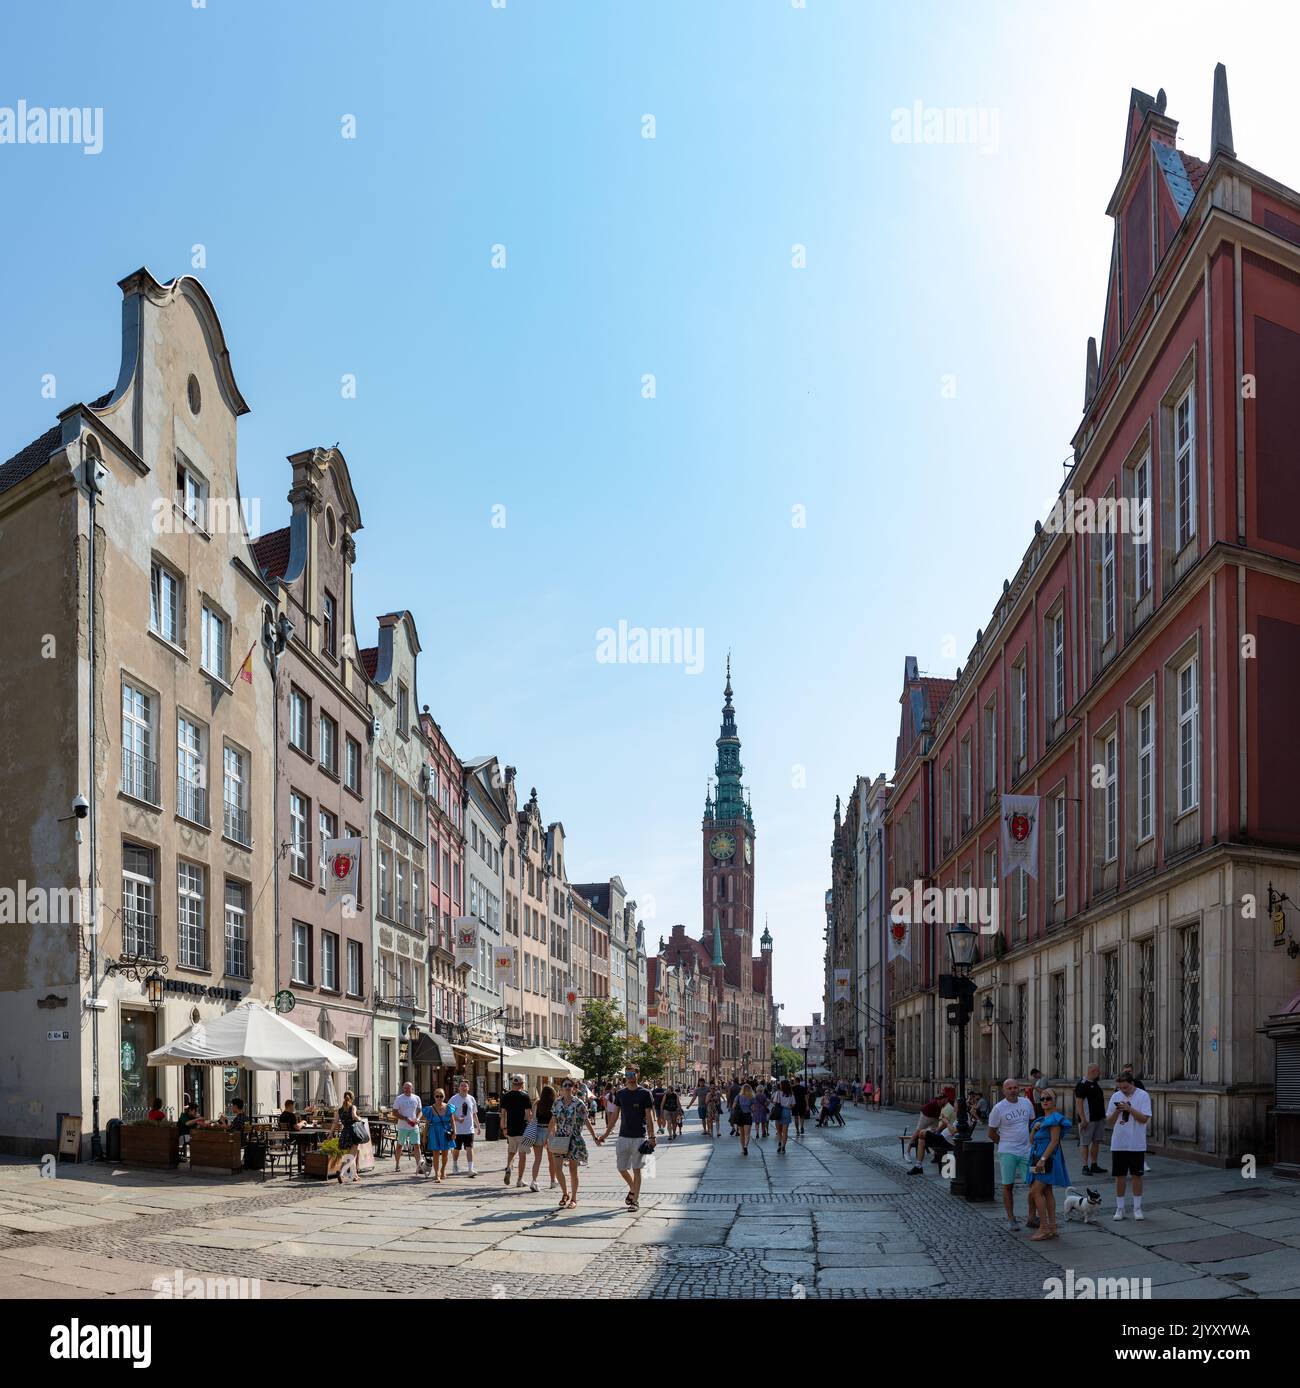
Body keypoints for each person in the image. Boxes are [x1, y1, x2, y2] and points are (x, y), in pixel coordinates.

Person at [596, 1068, 656, 1210]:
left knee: (637, 1169)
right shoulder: (621, 1094)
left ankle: (635, 1201)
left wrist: (652, 1136)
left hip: (639, 1137)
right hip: (623, 1136)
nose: (630, 1077)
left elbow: (649, 1116)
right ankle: (633, 1188)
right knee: (621, 1168)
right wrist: (605, 1134)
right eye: (627, 1075)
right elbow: (614, 1116)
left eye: (632, 1074)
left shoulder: (645, 1093)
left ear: (637, 1074)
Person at [988, 1078, 1037, 1230]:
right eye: (1009, 1088)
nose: (1013, 1090)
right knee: (1008, 1185)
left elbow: (1032, 1124)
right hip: (1007, 1151)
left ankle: (1031, 1217)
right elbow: (991, 1133)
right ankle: (1011, 1219)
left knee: (1033, 1185)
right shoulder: (998, 1108)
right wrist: (1005, 1143)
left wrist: (1030, 1142)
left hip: (1026, 1151)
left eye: (1015, 1087)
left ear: (1019, 1089)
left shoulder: (1027, 1103)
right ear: (1004, 1091)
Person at [1027, 1089, 1072, 1240]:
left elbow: (1054, 1142)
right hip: (1037, 1157)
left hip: (1047, 1159)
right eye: (1042, 1099)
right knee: (1047, 1191)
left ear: (1054, 1101)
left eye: (1048, 1098)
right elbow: (1031, 1141)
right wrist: (1034, 1129)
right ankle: (1052, 1226)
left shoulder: (1055, 1119)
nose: (1045, 1101)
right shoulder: (1041, 1120)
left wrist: (1043, 1159)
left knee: (1035, 1192)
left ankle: (1044, 1227)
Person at [548, 1078, 599, 1209]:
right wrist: (549, 1136)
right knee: (557, 1169)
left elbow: (586, 1120)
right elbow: (553, 1119)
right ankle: (565, 1193)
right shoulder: (557, 1103)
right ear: (561, 1088)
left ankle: (574, 1198)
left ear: (574, 1088)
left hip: (574, 1139)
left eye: (570, 1085)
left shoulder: (579, 1103)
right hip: (560, 1138)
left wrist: (594, 1136)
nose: (567, 1087)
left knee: (572, 1170)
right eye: (565, 1085)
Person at [1107, 1073, 1152, 1221]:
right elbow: (1109, 1121)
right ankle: (1120, 1208)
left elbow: (1144, 1119)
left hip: (1136, 1143)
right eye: (1120, 1087)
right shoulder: (1116, 1096)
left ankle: (1137, 1208)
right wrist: (1116, 1111)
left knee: (1136, 1176)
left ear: (1132, 1083)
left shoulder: (1143, 1095)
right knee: (1119, 1176)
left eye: (1125, 1087)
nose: (1123, 1090)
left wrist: (1129, 1109)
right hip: (1119, 1143)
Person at [498, 1074, 534, 1187]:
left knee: (511, 1152)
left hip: (510, 1128)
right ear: (522, 1084)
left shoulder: (506, 1096)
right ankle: (519, 1179)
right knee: (522, 1155)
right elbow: (528, 1115)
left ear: (512, 1083)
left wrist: (504, 1127)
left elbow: (503, 1113)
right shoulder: (525, 1096)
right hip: (523, 1129)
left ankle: (509, 1167)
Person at [519, 1084, 556, 1192]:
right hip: (549, 1132)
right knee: (551, 1159)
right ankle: (553, 1181)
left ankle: (534, 1181)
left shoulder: (537, 1103)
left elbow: (533, 1119)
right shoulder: (554, 1104)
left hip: (537, 1131)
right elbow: (553, 1121)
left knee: (537, 1159)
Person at [1074, 1063, 1107, 1177]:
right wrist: (1083, 1118)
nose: (1099, 1073)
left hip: (1098, 1118)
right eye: (1098, 1071)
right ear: (1093, 1071)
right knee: (1085, 1143)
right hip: (1088, 1119)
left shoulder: (1096, 1084)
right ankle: (1085, 1166)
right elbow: (1079, 1102)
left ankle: (1094, 1164)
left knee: (1096, 1141)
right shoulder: (1082, 1084)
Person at [447, 1079, 480, 1177]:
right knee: (456, 1149)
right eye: (462, 1086)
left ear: (468, 1088)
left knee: (469, 1148)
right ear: (459, 1087)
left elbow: (474, 1114)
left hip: (469, 1129)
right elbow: (448, 1113)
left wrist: (478, 1126)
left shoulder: (471, 1099)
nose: (463, 1088)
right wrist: (457, 1119)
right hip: (457, 1130)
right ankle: (455, 1165)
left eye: (465, 1086)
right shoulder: (453, 1099)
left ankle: (470, 1169)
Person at [422, 1088, 455, 1182]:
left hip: (446, 1132)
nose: (439, 1098)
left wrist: (454, 1133)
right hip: (434, 1132)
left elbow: (452, 1121)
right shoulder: (430, 1109)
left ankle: (443, 1170)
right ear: (434, 1097)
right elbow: (427, 1124)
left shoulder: (449, 1107)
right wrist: (424, 1137)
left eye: (441, 1096)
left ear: (444, 1097)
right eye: (437, 1096)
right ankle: (437, 1174)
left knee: (445, 1154)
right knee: (435, 1154)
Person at [391, 1081, 424, 1175]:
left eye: (408, 1087)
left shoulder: (416, 1098)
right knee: (400, 1145)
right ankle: (397, 1164)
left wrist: (417, 1118)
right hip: (403, 1126)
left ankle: (419, 1166)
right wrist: (405, 1118)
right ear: (403, 1088)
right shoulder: (399, 1098)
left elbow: (420, 1111)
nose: (406, 1089)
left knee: (417, 1145)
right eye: (405, 1087)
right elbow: (394, 1112)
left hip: (414, 1126)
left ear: (412, 1088)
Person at [331, 1090, 363, 1184]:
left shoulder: (339, 1110)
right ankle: (341, 1172)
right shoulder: (353, 1107)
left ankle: (355, 1175)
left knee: (350, 1155)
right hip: (353, 1132)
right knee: (352, 1156)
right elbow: (354, 1116)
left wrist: (330, 1133)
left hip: (345, 1133)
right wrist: (360, 1119)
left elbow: (335, 1122)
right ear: (352, 1098)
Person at [771, 1079, 793, 1154]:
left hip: (779, 1112)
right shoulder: (791, 1094)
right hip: (787, 1112)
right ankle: (783, 1147)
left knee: (779, 1131)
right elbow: (793, 1105)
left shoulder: (778, 1093)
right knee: (785, 1131)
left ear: (782, 1086)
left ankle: (780, 1142)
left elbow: (774, 1102)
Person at [734, 1083, 755, 1155]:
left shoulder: (738, 1097)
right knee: (747, 1133)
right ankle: (746, 1146)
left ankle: (743, 1149)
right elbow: (753, 1108)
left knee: (741, 1134)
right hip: (748, 1115)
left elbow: (733, 1106)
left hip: (740, 1116)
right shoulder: (751, 1098)